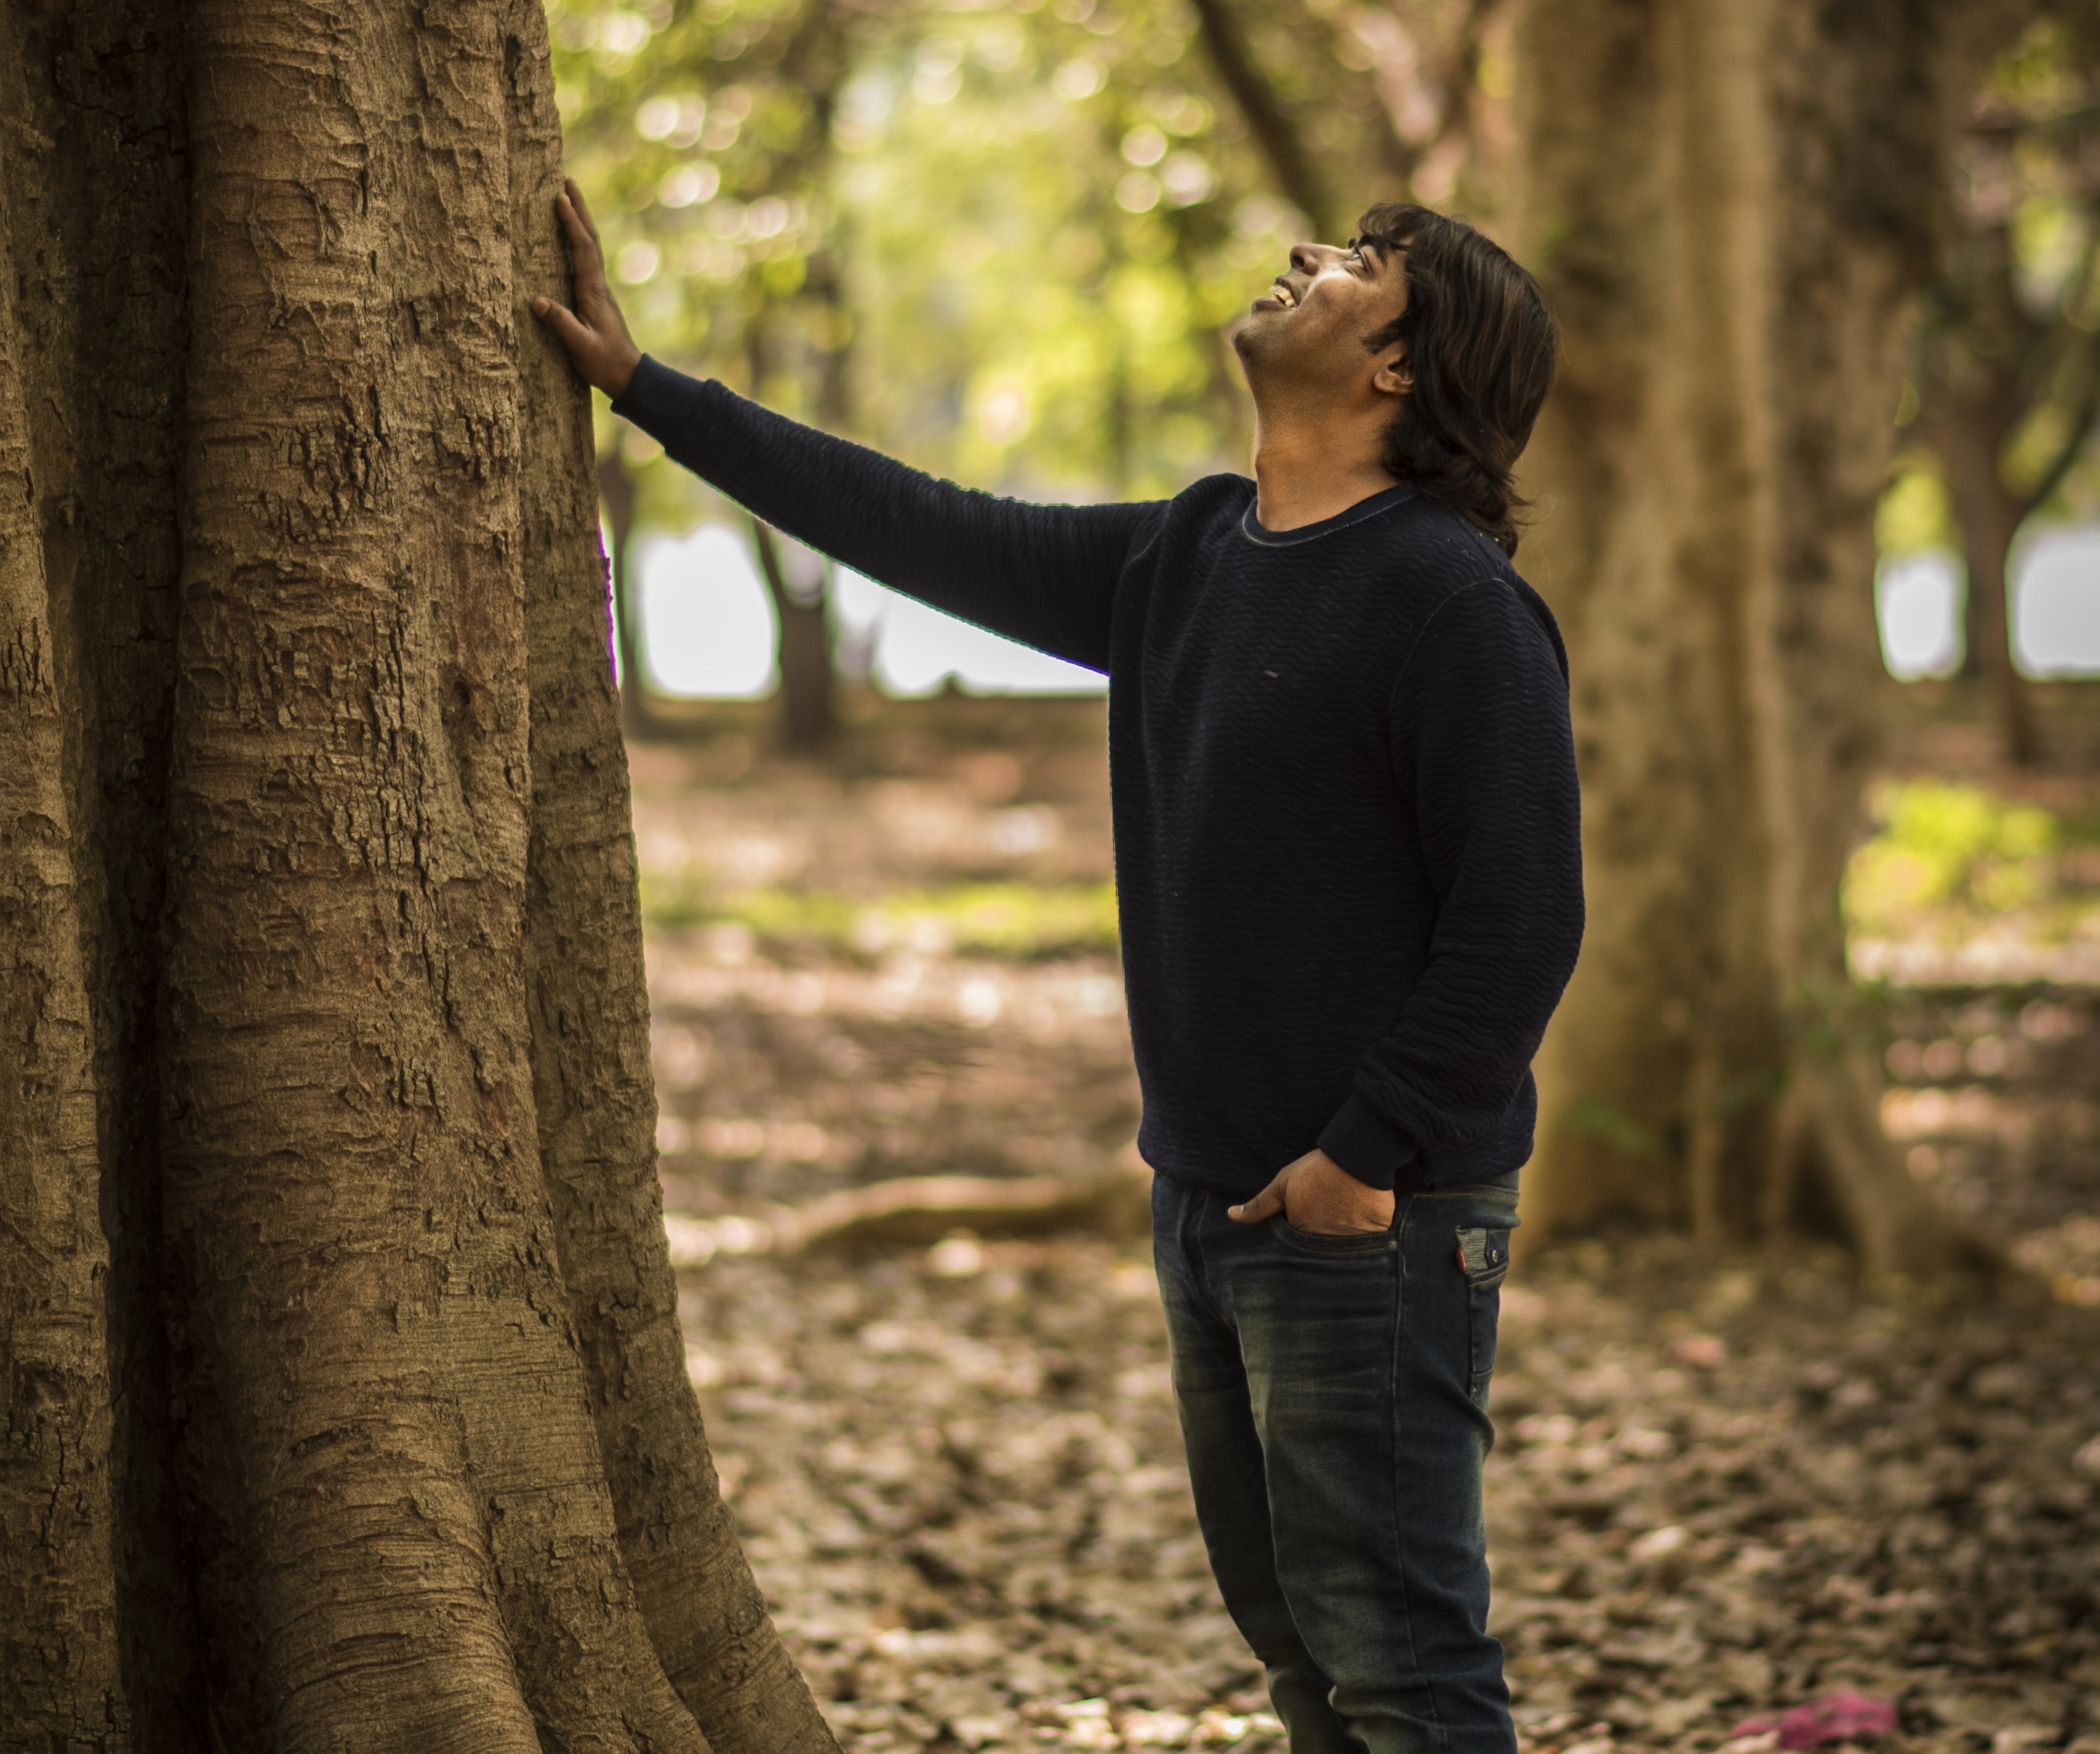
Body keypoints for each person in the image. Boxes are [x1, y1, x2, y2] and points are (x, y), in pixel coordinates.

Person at [534, 179, 1583, 1754]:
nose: (1308, 261)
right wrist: (647, 390)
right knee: (1303, 1650)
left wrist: (1361, 1154)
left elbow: (1522, 920)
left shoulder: (1453, 603)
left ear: (1396, 370)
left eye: (1360, 268)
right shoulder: (1191, 555)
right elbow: (921, 525)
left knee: (1401, 1658)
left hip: (1371, 1215)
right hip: (1212, 1195)